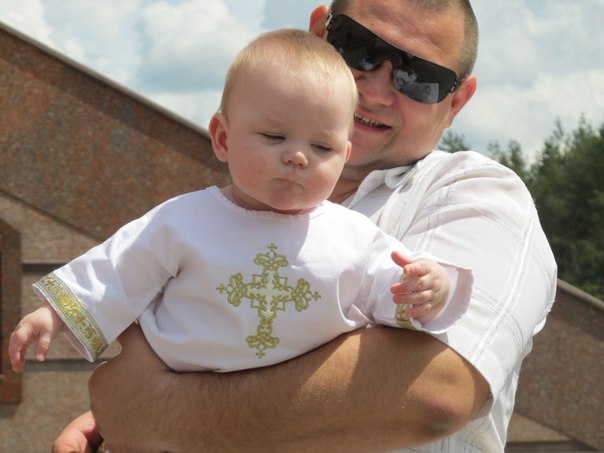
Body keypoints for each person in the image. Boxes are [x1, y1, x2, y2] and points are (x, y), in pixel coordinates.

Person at [52, 0, 558, 452]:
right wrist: (115, 425)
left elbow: (435, 390)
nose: (376, 90)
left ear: (457, 100)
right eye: (360, 49)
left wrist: (160, 411)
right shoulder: (235, 203)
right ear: (320, 32)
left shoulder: (477, 195)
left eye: (420, 77)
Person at [10, 28, 471, 392]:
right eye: (274, 137)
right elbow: (117, 272)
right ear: (223, 138)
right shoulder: (182, 221)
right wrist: (54, 316)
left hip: (300, 421)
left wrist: (431, 289)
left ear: (344, 155)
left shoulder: (355, 236)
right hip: (177, 407)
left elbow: (395, 289)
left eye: (322, 147)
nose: (297, 156)